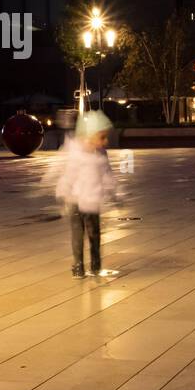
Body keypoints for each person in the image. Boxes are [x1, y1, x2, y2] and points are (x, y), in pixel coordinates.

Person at [54, 111, 117, 278]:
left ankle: (96, 265)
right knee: (78, 234)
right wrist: (63, 192)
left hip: (93, 200)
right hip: (75, 200)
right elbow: (68, 176)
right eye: (102, 137)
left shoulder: (101, 154)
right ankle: (78, 266)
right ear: (88, 136)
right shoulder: (76, 155)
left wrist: (112, 191)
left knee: (95, 234)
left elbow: (107, 174)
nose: (106, 141)